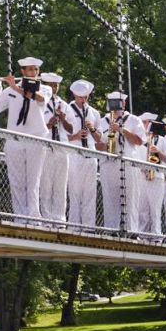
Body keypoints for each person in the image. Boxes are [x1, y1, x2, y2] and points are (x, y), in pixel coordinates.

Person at [0, 57, 50, 220]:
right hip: (15, 139)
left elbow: (39, 99)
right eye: (30, 70)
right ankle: (20, 216)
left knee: (33, 180)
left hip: (36, 138)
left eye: (35, 70)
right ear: (23, 72)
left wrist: (15, 87)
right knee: (16, 180)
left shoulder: (45, 88)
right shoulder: (9, 91)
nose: (33, 72)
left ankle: (34, 216)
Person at [97, 91, 144, 231]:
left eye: (119, 103)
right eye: (113, 103)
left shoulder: (134, 120)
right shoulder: (102, 121)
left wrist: (121, 130)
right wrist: (105, 146)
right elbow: (97, 145)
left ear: (124, 103)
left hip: (128, 162)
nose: (117, 106)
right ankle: (111, 229)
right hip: (108, 163)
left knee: (131, 198)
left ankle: (131, 230)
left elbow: (139, 141)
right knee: (110, 198)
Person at [65, 80, 101, 229]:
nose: (83, 99)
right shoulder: (67, 109)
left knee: (90, 193)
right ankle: (74, 226)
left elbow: (99, 139)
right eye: (80, 96)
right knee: (74, 191)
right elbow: (60, 135)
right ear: (74, 94)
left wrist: (92, 129)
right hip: (74, 153)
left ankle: (88, 227)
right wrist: (76, 136)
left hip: (90, 154)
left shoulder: (94, 112)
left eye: (85, 96)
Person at [38, 73, 72, 225]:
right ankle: (46, 217)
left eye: (55, 85)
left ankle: (59, 219)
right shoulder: (39, 102)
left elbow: (71, 129)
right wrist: (49, 124)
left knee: (60, 184)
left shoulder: (64, 105)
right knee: (45, 183)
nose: (53, 88)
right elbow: (35, 126)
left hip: (61, 147)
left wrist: (63, 119)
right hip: (45, 145)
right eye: (50, 85)